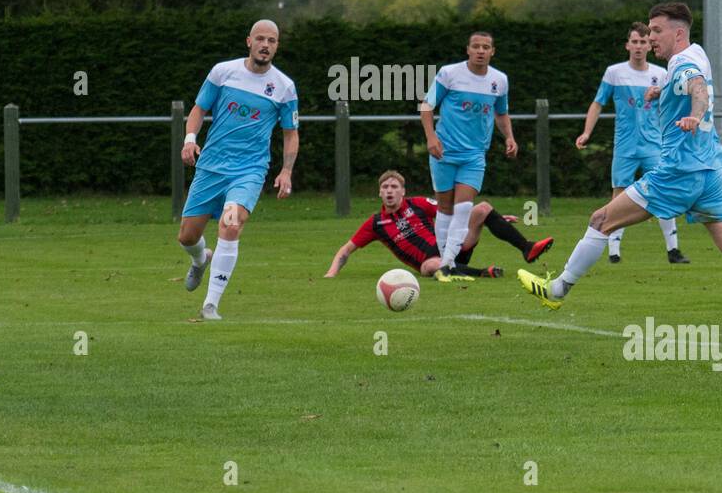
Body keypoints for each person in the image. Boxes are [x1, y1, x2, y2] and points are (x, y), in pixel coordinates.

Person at [517, 2, 722, 344]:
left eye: (657, 30)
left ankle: (557, 290)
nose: (651, 36)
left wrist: (695, 115)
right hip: (711, 171)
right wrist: (663, 91)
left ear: (678, 32)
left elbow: (697, 88)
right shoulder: (697, 53)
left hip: (678, 172)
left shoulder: (683, 62)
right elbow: (689, 83)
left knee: (600, 220)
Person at [177, 19, 298, 320]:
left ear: (277, 46)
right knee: (187, 236)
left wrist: (286, 170)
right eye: (260, 39)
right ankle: (200, 259)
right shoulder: (223, 72)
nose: (265, 45)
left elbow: (290, 133)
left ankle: (211, 305)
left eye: (271, 41)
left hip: (249, 170)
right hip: (211, 166)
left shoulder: (284, 87)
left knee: (231, 224)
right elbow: (199, 109)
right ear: (249, 41)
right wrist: (190, 140)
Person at [576, 21, 688, 265]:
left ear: (649, 45)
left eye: (643, 42)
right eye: (634, 41)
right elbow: (598, 103)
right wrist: (586, 132)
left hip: (654, 145)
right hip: (625, 146)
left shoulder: (660, 74)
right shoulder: (614, 72)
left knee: (663, 191)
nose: (638, 46)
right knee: (619, 194)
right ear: (627, 45)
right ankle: (614, 251)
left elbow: (672, 108)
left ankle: (673, 249)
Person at [324, 169, 553, 279]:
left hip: (452, 247)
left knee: (482, 208)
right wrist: (331, 274)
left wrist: (497, 219)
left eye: (394, 187)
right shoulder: (376, 223)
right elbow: (346, 250)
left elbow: (453, 212)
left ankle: (527, 248)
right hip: (430, 262)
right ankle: (483, 273)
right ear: (379, 193)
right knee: (431, 266)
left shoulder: (418, 203)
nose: (389, 191)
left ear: (403, 191)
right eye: (385, 187)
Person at [420, 31, 517, 282]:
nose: (480, 51)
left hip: (474, 155)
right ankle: (448, 263)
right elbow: (427, 106)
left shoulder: (499, 80)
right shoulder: (449, 74)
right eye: (476, 46)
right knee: (445, 207)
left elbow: (501, 113)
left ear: (492, 51)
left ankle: (447, 265)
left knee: (463, 207)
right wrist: (431, 138)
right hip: (444, 151)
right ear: (468, 49)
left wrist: (509, 137)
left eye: (486, 47)